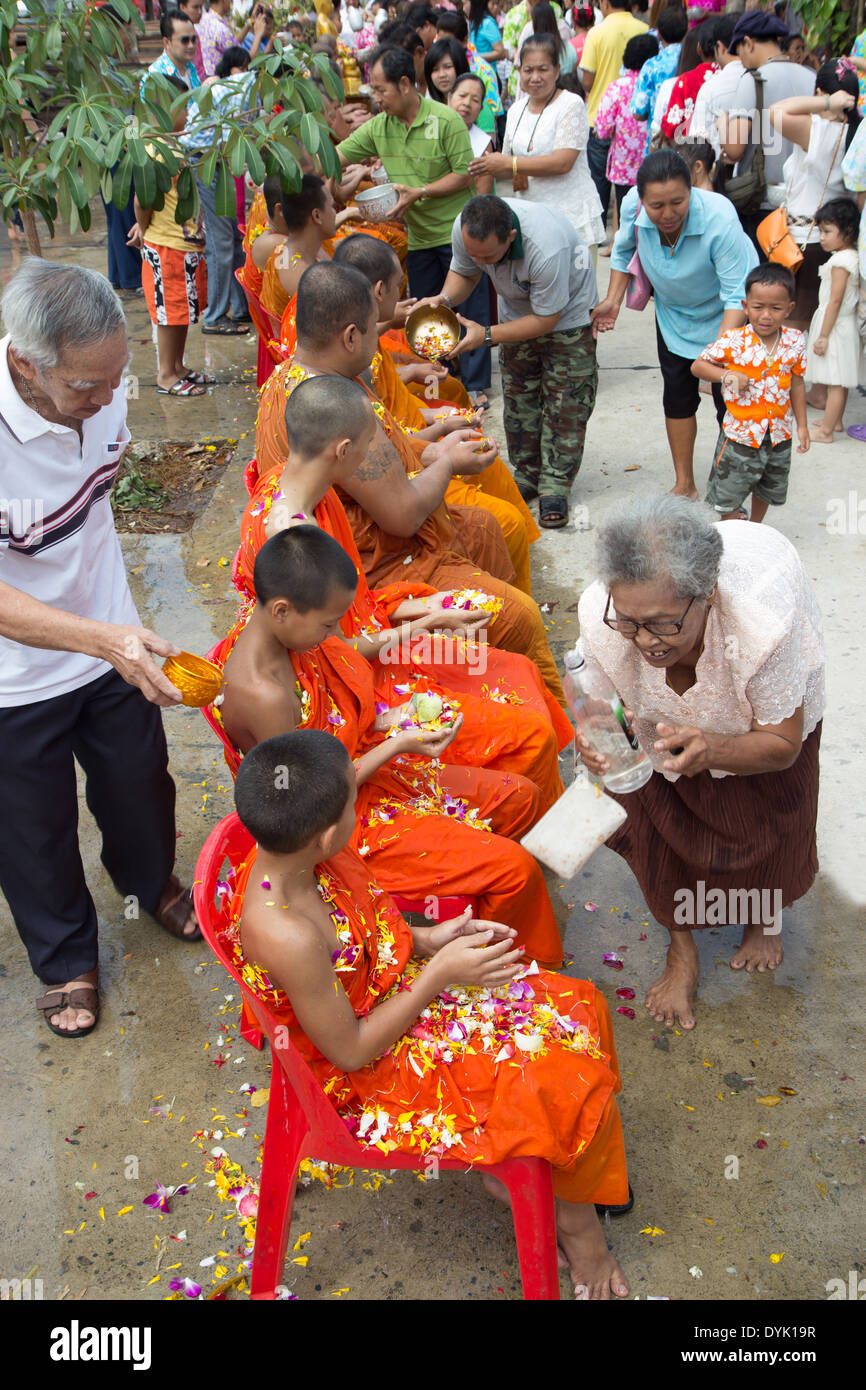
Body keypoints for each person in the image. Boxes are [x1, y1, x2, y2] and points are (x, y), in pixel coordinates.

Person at [230, 731, 631, 1299]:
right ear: (326, 835)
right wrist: (441, 973)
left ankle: (566, 1177)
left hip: (393, 997)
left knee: (578, 1004)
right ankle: (579, 1229)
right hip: (367, 1069)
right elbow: (350, 1051)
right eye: (353, 804)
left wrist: (427, 939)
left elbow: (362, 929)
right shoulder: (284, 931)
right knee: (559, 1079)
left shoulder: (295, 851)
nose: (360, 810)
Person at [0, 261, 203, 1039]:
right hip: (18, 673)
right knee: (32, 824)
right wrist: (100, 639)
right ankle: (64, 960)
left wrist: (111, 633)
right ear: (25, 361)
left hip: (112, 633)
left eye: (113, 377)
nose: (104, 397)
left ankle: (151, 884)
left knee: (138, 782)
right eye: (86, 386)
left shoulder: (105, 378)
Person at [217, 528, 567, 966]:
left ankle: (489, 915)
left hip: (367, 766)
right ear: (284, 610)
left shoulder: (289, 629)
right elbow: (306, 801)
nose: (332, 633)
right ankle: (494, 967)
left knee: (522, 796)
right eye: (327, 623)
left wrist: (423, 625)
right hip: (338, 822)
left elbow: (346, 649)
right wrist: (400, 744)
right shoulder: (264, 695)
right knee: (514, 869)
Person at [256, 262, 567, 701]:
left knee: (488, 528)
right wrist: (448, 464)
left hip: (378, 540)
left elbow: (386, 450)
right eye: (372, 329)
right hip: (378, 573)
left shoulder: (288, 381)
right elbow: (401, 516)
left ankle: (497, 673)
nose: (379, 340)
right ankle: (525, 703)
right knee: (520, 616)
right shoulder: (336, 408)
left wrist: (435, 446)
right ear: (349, 337)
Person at [236, 374, 573, 772]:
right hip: (352, 695)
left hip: (362, 648)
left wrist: (425, 612)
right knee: (527, 728)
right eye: (371, 446)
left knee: (519, 670)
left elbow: (341, 620)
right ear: (344, 452)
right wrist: (423, 623)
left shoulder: (294, 486)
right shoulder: (297, 536)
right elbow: (334, 648)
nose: (376, 459)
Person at [577, 494, 824, 1030]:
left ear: (707, 597)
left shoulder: (761, 624)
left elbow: (782, 744)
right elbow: (600, 712)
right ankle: (682, 949)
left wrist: (714, 749)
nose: (644, 641)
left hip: (759, 728)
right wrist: (595, 746)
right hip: (659, 730)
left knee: (770, 818)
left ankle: (762, 913)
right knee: (660, 827)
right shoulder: (604, 616)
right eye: (630, 622)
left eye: (664, 625)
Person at [331, 232, 538, 592]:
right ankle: (500, 595)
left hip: (405, 464)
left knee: (481, 453)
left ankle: (510, 581)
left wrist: (442, 430)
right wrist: (444, 457)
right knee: (503, 525)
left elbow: (391, 435)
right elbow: (402, 515)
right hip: (387, 541)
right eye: (400, 286)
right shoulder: (338, 392)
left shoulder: (339, 361)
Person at [425, 194, 599, 527]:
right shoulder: (467, 229)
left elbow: (546, 320)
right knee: (520, 397)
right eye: (473, 252)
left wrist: (487, 335)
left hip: (566, 316)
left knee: (566, 401)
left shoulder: (546, 248)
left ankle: (555, 484)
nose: (480, 261)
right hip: (516, 308)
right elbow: (465, 272)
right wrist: (444, 300)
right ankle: (529, 473)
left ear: (511, 238)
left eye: (487, 256)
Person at [336, 45, 492, 411]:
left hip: (458, 235)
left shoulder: (445, 120)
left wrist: (420, 191)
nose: (375, 98)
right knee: (428, 313)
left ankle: (476, 382)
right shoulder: (380, 127)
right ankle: (442, 375)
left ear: (405, 84)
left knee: (469, 307)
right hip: (420, 237)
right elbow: (337, 155)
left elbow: (463, 174)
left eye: (380, 89)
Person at [593, 149, 758, 497]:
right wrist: (612, 300)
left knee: (731, 400)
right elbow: (623, 251)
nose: (668, 214)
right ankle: (685, 483)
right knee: (678, 397)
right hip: (674, 315)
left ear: (692, 190)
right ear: (641, 199)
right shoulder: (632, 208)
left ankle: (732, 489)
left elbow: (735, 296)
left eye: (677, 202)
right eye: (657, 206)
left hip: (727, 317)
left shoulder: (719, 218)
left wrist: (717, 353)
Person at [692, 263, 808, 522]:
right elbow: (698, 366)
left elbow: (797, 383)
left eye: (776, 308)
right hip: (740, 435)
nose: (766, 315)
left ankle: (756, 528)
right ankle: (733, 535)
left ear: (789, 308)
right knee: (728, 493)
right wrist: (726, 375)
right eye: (758, 307)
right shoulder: (734, 341)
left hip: (779, 434)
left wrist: (802, 426)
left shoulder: (795, 341)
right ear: (745, 306)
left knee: (768, 487)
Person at [472, 35, 605, 258]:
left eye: (542, 69)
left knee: (576, 289)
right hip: (531, 216)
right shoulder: (515, 110)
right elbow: (506, 165)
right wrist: (482, 164)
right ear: (519, 71)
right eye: (528, 70)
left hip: (571, 216)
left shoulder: (570, 104)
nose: (535, 77)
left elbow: (563, 162)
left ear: (557, 69)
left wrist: (509, 164)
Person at [128, 74, 210, 397]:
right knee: (169, 312)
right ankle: (165, 374)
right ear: (162, 108)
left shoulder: (172, 145)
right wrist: (143, 229)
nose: (188, 113)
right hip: (166, 245)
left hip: (184, 242)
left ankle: (178, 366)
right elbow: (142, 199)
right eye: (182, 106)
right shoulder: (153, 149)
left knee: (182, 311)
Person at [767, 66, 859, 334]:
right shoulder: (856, 132)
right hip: (836, 240)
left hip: (803, 242)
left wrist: (828, 102)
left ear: (819, 93)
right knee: (822, 329)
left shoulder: (817, 130)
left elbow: (775, 111)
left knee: (793, 330)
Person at [715, 10, 815, 246]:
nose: (740, 59)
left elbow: (734, 149)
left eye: (738, 51)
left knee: (763, 279)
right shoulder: (811, 77)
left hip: (762, 205)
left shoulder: (752, 80)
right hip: (804, 205)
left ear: (748, 43)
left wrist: (722, 126)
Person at [579, 0, 648, 221]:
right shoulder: (645, 30)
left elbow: (587, 79)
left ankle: (600, 227)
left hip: (600, 115)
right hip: (638, 125)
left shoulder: (596, 33)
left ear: (606, 4)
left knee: (599, 180)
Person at [804, 198, 861, 444]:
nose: (822, 237)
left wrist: (824, 335)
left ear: (847, 231)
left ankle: (826, 431)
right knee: (841, 379)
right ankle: (834, 420)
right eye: (820, 231)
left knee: (836, 381)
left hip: (836, 325)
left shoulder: (841, 262)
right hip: (841, 324)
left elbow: (835, 301)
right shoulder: (850, 256)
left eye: (827, 231)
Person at [594, 33, 659, 216]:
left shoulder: (616, 87)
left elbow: (603, 129)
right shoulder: (659, 84)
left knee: (626, 216)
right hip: (654, 162)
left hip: (624, 166)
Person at [436, 10, 504, 141]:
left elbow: (491, 118)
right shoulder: (436, 64)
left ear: (464, 41)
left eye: (449, 41)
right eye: (439, 40)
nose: (443, 47)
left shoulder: (483, 71)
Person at [630, 5, 687, 156]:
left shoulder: (652, 65)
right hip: (688, 143)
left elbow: (638, 112)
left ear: (659, 34)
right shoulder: (694, 60)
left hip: (658, 143)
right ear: (686, 31)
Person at [688, 13, 741, 154]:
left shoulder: (710, 88)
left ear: (720, 47)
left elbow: (698, 141)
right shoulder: (760, 77)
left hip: (719, 167)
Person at [659, 18, 718, 140]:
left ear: (699, 48)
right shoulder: (732, 76)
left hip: (694, 150)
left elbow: (671, 127)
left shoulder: (686, 80)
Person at [449, 72, 495, 187]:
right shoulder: (432, 131)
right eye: (462, 95)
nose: (467, 103)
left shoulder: (483, 143)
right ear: (449, 98)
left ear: (480, 109)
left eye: (475, 100)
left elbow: (483, 193)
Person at [517, 1, 578, 75]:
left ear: (535, 23)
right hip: (566, 83)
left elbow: (519, 62)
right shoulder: (567, 45)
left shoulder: (529, 33)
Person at [197, 0, 236, 77]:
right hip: (221, 79)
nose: (231, 3)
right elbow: (240, 58)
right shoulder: (221, 29)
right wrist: (258, 34)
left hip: (206, 77)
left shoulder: (203, 19)